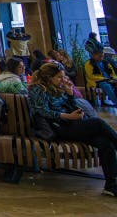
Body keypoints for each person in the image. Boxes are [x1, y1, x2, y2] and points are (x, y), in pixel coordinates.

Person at [28, 63, 117, 197]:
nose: (63, 80)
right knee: (98, 123)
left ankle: (111, 186)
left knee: (105, 143)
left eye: (63, 77)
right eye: (59, 77)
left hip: (70, 124)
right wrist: (68, 116)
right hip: (57, 127)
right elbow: (42, 111)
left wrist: (70, 94)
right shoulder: (38, 89)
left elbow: (69, 106)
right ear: (49, 78)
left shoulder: (58, 88)